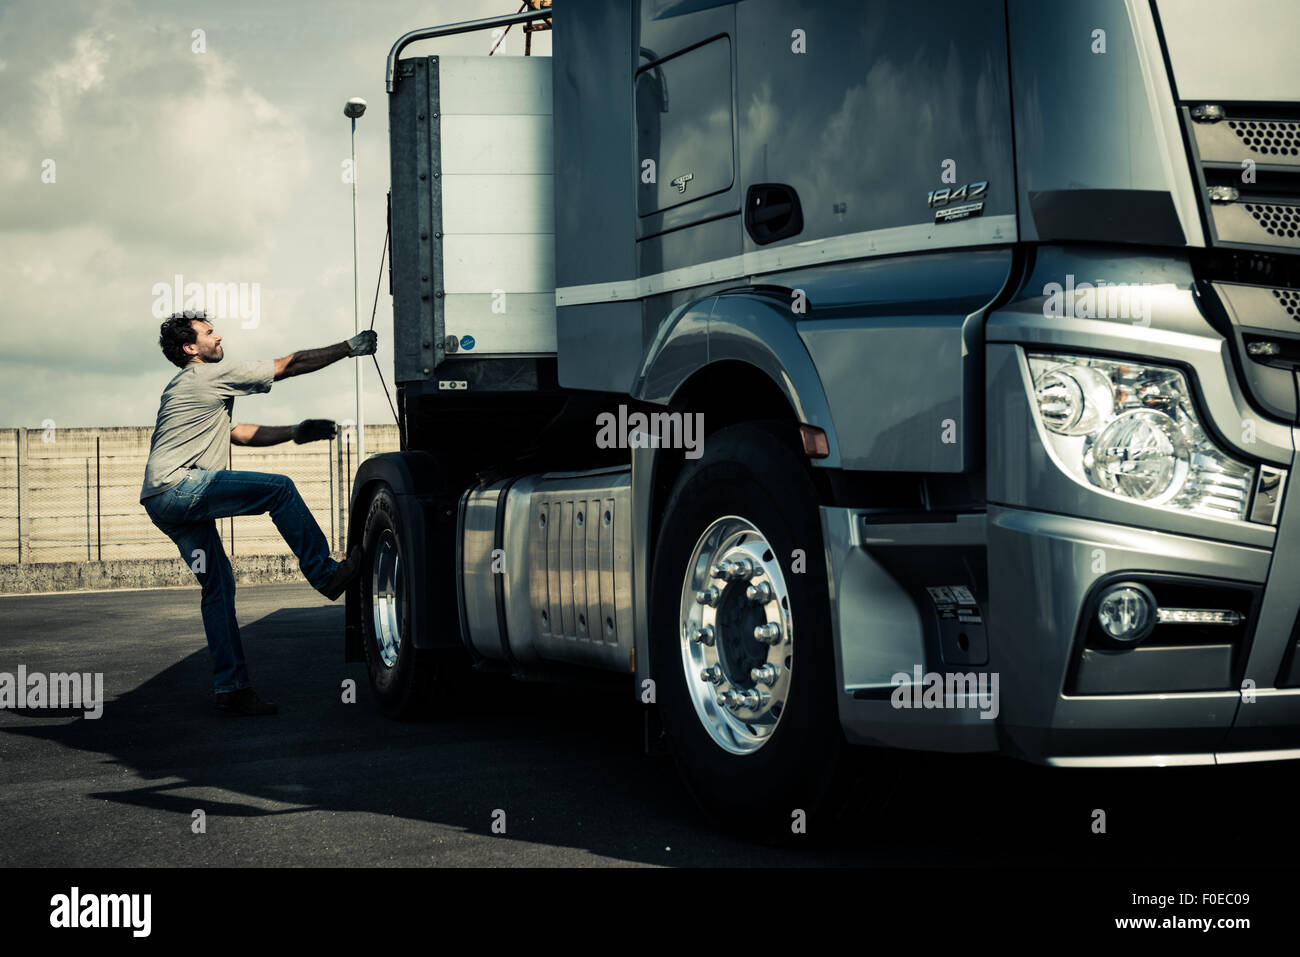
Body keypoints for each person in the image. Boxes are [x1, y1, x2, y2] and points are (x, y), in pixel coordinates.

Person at [139, 309, 378, 715]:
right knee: (280, 490)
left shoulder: (187, 387)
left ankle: (231, 689)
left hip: (162, 500)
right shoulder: (207, 375)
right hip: (182, 487)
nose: (219, 338)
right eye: (209, 333)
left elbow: (239, 434)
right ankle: (325, 574)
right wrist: (348, 348)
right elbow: (289, 365)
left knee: (218, 589)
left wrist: (294, 432)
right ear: (190, 348)